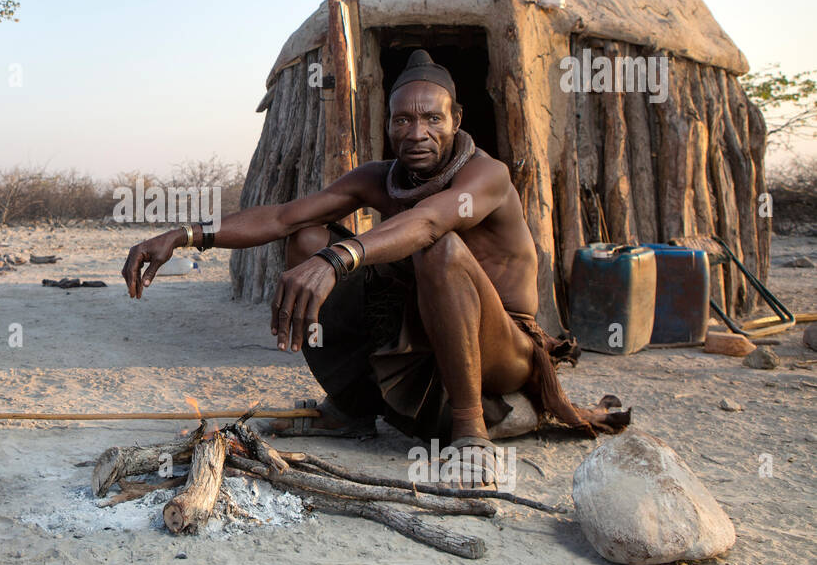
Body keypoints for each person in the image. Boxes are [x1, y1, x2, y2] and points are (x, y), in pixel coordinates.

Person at [121, 49, 629, 487]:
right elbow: (282, 217)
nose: (417, 133)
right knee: (309, 236)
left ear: (457, 120)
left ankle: (470, 427)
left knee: (441, 250)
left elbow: (430, 224)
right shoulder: (380, 177)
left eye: (432, 118)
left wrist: (338, 259)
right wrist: (185, 236)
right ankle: (350, 406)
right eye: (402, 120)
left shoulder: (486, 176)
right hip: (423, 334)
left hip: (503, 349)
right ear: (387, 123)